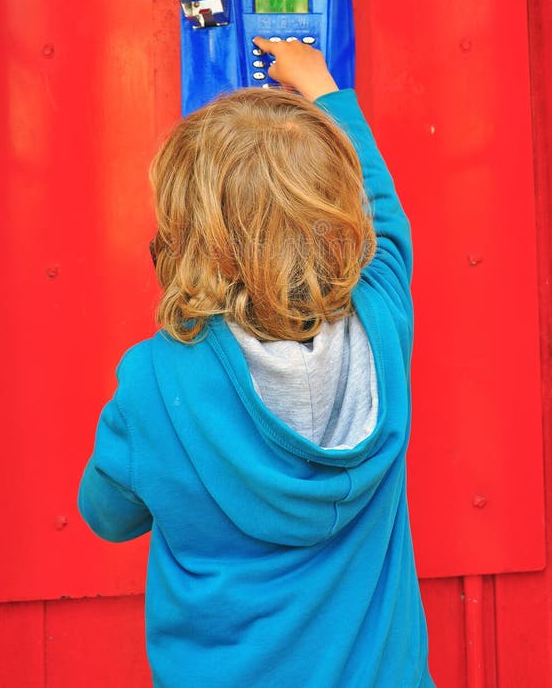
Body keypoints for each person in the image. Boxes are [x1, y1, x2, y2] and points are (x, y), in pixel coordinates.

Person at [78, 37, 435, 688]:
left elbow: (107, 515)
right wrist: (325, 90)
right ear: (337, 218)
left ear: (187, 235)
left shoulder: (153, 382)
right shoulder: (383, 321)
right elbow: (385, 220)